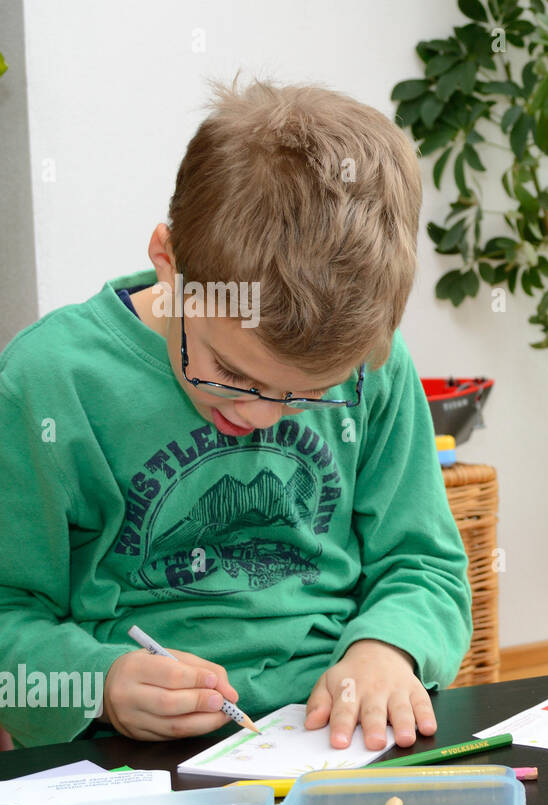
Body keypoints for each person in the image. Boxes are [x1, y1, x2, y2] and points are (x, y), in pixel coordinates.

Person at [0, 79, 472, 751]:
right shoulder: (50, 381)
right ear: (168, 263)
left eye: (305, 392)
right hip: (129, 755)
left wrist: (387, 651)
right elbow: (8, 612)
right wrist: (99, 684)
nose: (258, 415)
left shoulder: (375, 364)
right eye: (231, 374)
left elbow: (425, 564)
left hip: (339, 739)